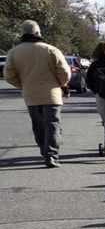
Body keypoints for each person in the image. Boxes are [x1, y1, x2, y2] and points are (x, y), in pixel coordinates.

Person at [3, 20, 71, 167]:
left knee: (38, 125)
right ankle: (52, 155)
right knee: (52, 124)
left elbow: (8, 75)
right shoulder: (50, 49)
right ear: (38, 33)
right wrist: (62, 84)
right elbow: (64, 72)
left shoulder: (14, 52)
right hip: (51, 94)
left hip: (30, 94)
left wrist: (22, 84)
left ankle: (44, 151)